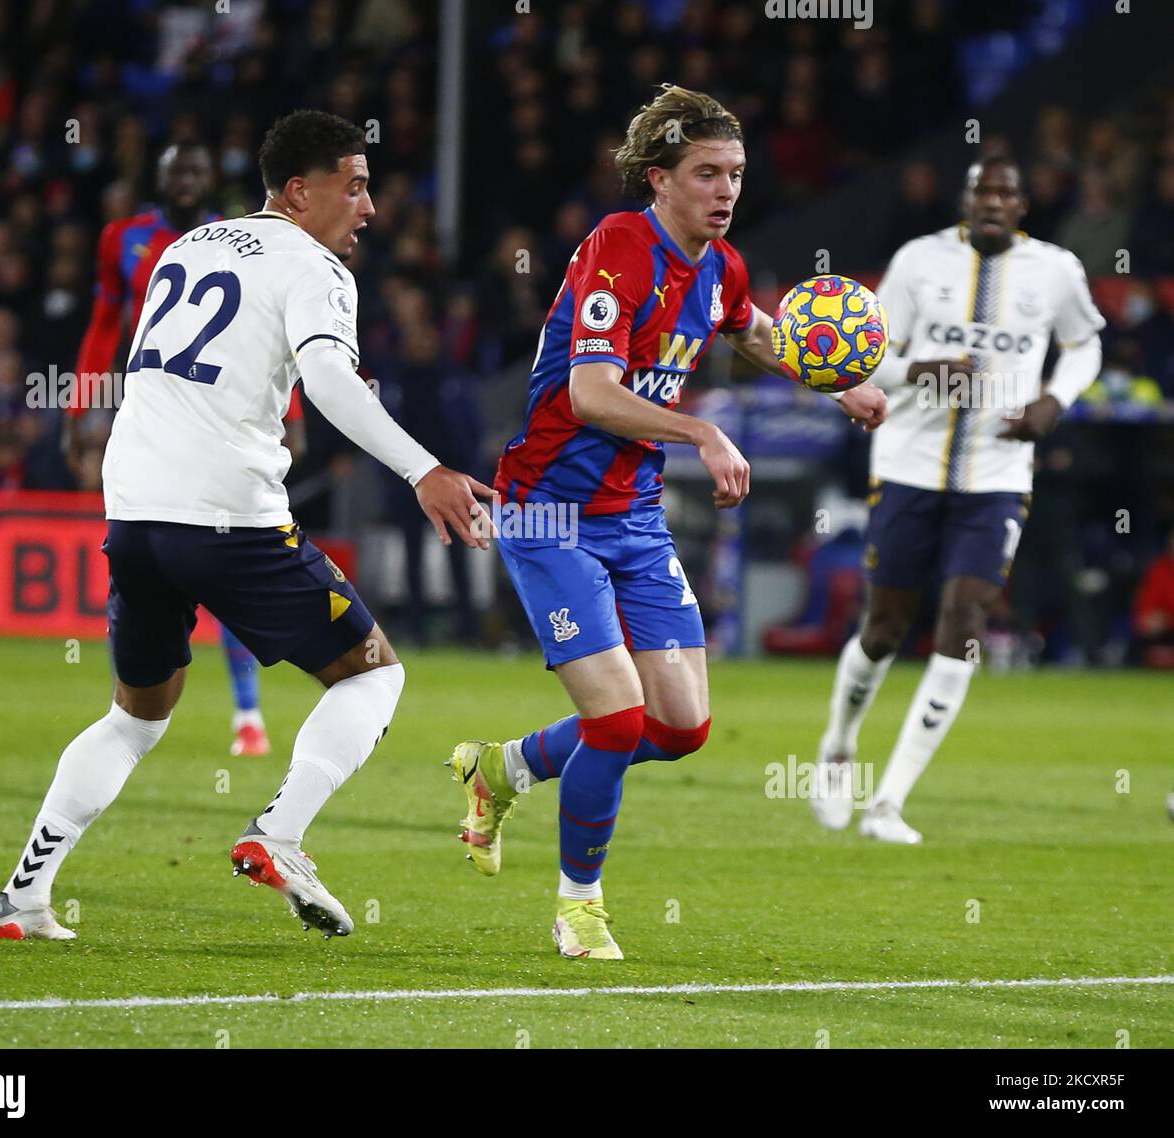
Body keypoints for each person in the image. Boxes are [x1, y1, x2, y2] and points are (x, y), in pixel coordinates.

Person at [0, 110, 493, 941]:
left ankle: (21, 898)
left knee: (137, 716)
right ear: (300, 192)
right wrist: (423, 469)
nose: (369, 207)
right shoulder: (315, 266)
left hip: (136, 510)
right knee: (373, 675)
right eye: (354, 187)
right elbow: (326, 380)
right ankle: (278, 834)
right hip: (227, 514)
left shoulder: (187, 249)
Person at [447, 85, 887, 960]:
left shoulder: (720, 266)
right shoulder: (620, 248)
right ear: (660, 177)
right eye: (707, 174)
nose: (727, 191)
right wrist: (702, 431)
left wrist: (844, 384)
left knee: (680, 727)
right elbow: (589, 394)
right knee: (616, 721)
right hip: (548, 510)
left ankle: (507, 766)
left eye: (736, 174)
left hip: (633, 514)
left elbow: (760, 335)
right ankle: (580, 907)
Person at [811, 156, 1105, 843]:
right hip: (909, 464)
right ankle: (837, 748)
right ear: (966, 201)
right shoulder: (918, 261)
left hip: (997, 474)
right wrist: (919, 368)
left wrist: (1053, 401)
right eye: (983, 192)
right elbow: (860, 356)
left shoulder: (1056, 271)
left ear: (1024, 203)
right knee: (884, 628)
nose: (995, 202)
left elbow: (1085, 345)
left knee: (964, 621)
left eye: (1007, 191)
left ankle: (888, 803)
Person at [65, 141, 276, 758]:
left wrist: (288, 413)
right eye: (176, 170)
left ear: (213, 177)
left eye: (197, 170)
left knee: (230, 559)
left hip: (220, 421)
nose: (186, 180)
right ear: (158, 178)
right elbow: (105, 325)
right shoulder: (122, 240)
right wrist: (80, 407)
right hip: (147, 419)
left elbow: (266, 332)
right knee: (136, 564)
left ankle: (248, 713)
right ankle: (130, 710)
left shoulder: (240, 241)